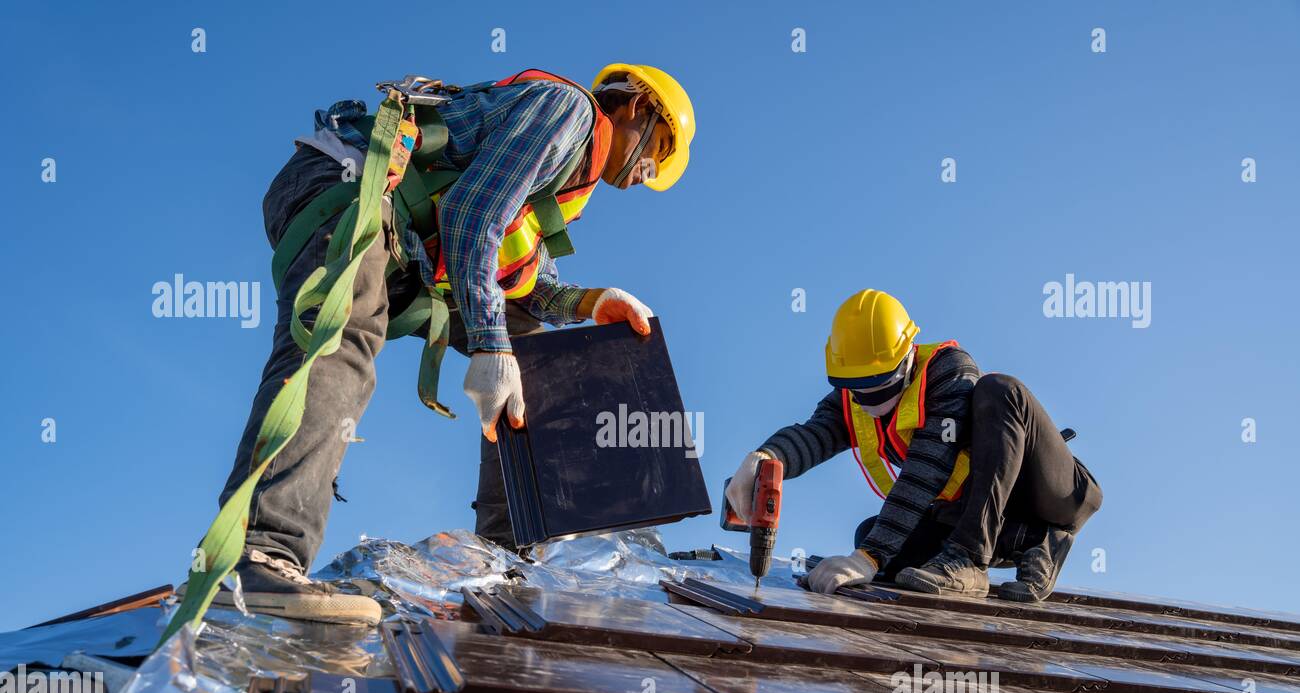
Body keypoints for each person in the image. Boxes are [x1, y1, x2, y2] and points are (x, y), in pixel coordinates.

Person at [213, 65, 696, 624]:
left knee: (529, 357)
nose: (646, 174)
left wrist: (590, 303)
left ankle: (508, 558)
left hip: (402, 232)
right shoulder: (570, 113)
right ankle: (259, 557)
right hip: (347, 185)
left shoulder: (567, 180)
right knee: (346, 332)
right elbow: (471, 214)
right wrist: (489, 345)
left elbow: (529, 286)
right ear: (635, 106)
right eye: (657, 150)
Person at [726, 289, 1102, 602]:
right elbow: (813, 435)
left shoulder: (950, 373)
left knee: (1000, 391)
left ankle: (971, 560)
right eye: (857, 389)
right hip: (980, 516)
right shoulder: (853, 398)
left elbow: (927, 469)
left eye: (881, 385)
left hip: (1048, 494)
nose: (868, 400)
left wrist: (869, 557)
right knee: (875, 538)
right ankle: (1034, 542)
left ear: (907, 357)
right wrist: (764, 458)